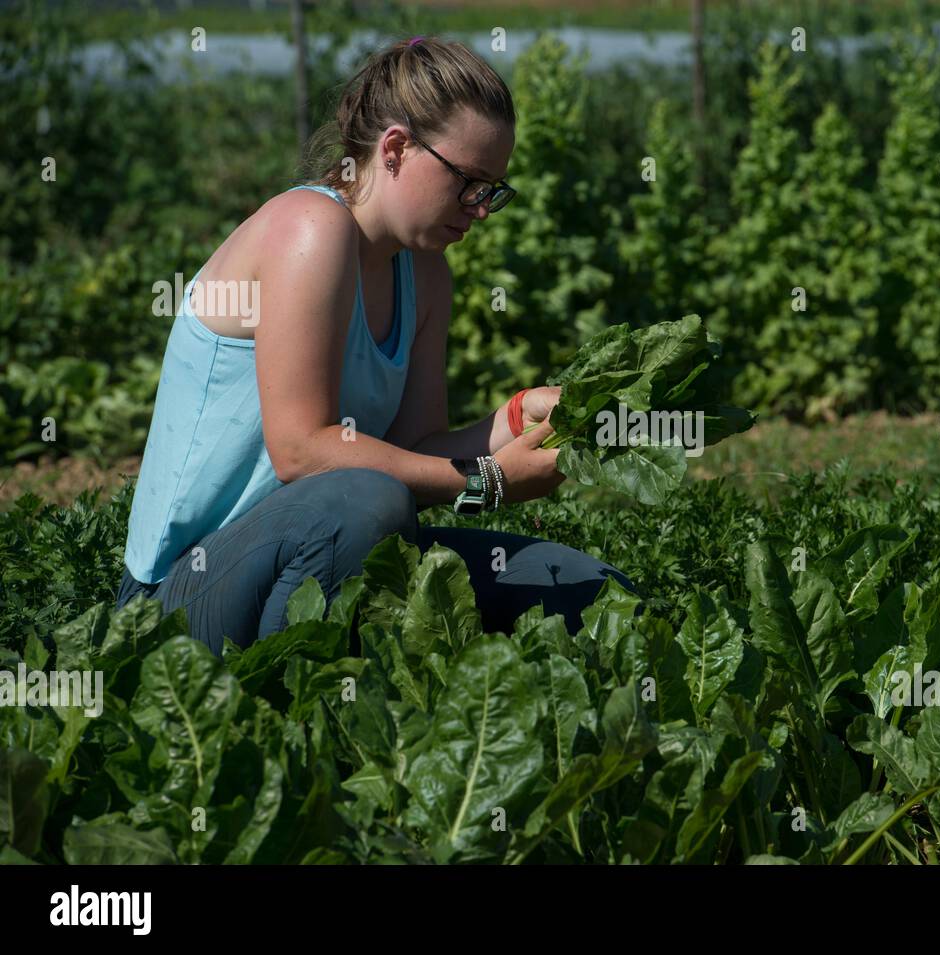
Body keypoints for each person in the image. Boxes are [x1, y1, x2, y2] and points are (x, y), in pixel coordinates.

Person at [114, 35, 636, 655]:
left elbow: (416, 452)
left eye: (493, 189)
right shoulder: (308, 230)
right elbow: (303, 452)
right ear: (394, 148)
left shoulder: (425, 272)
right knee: (369, 500)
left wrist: (517, 419)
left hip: (328, 546)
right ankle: (293, 718)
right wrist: (489, 481)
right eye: (469, 182)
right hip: (176, 603)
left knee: (592, 589)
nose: (481, 209)